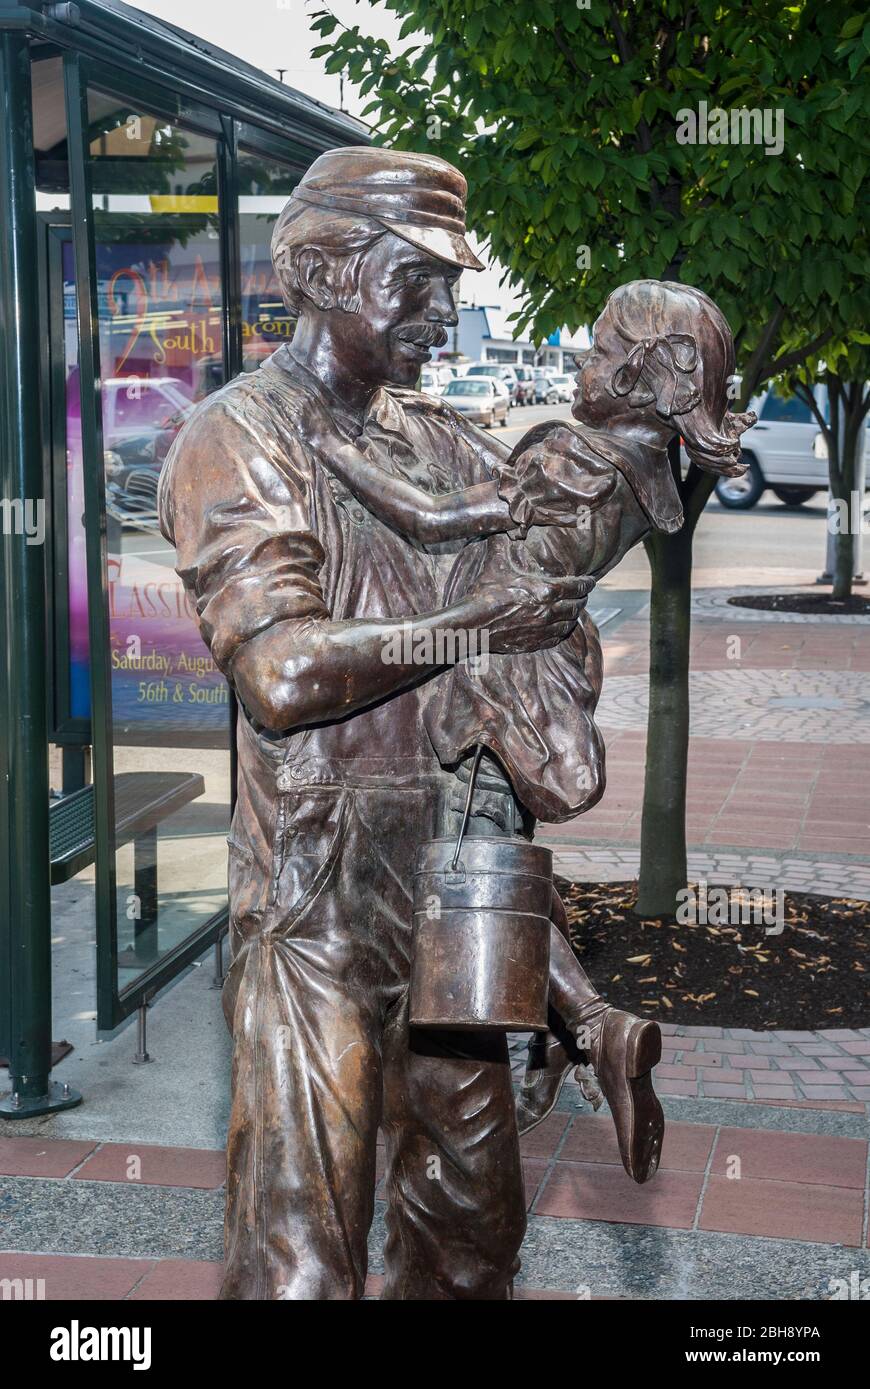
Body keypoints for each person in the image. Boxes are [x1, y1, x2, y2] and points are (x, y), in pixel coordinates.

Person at [158, 145, 596, 1300]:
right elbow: (285, 675)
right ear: (320, 272)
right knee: (303, 1260)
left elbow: (531, 651)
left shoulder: (439, 443)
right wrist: (470, 620)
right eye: (418, 279)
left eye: (453, 283)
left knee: (470, 1240)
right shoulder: (236, 437)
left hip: (455, 912)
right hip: (316, 918)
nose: (445, 312)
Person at [302, 279, 755, 1172]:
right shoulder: (642, 469)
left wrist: (333, 447)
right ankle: (570, 1033)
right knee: (500, 863)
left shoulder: (575, 466)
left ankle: (591, 1028)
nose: (578, 366)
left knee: (472, 883)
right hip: (539, 686)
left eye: (593, 351)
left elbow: (440, 517)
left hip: (491, 693)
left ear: (645, 375)